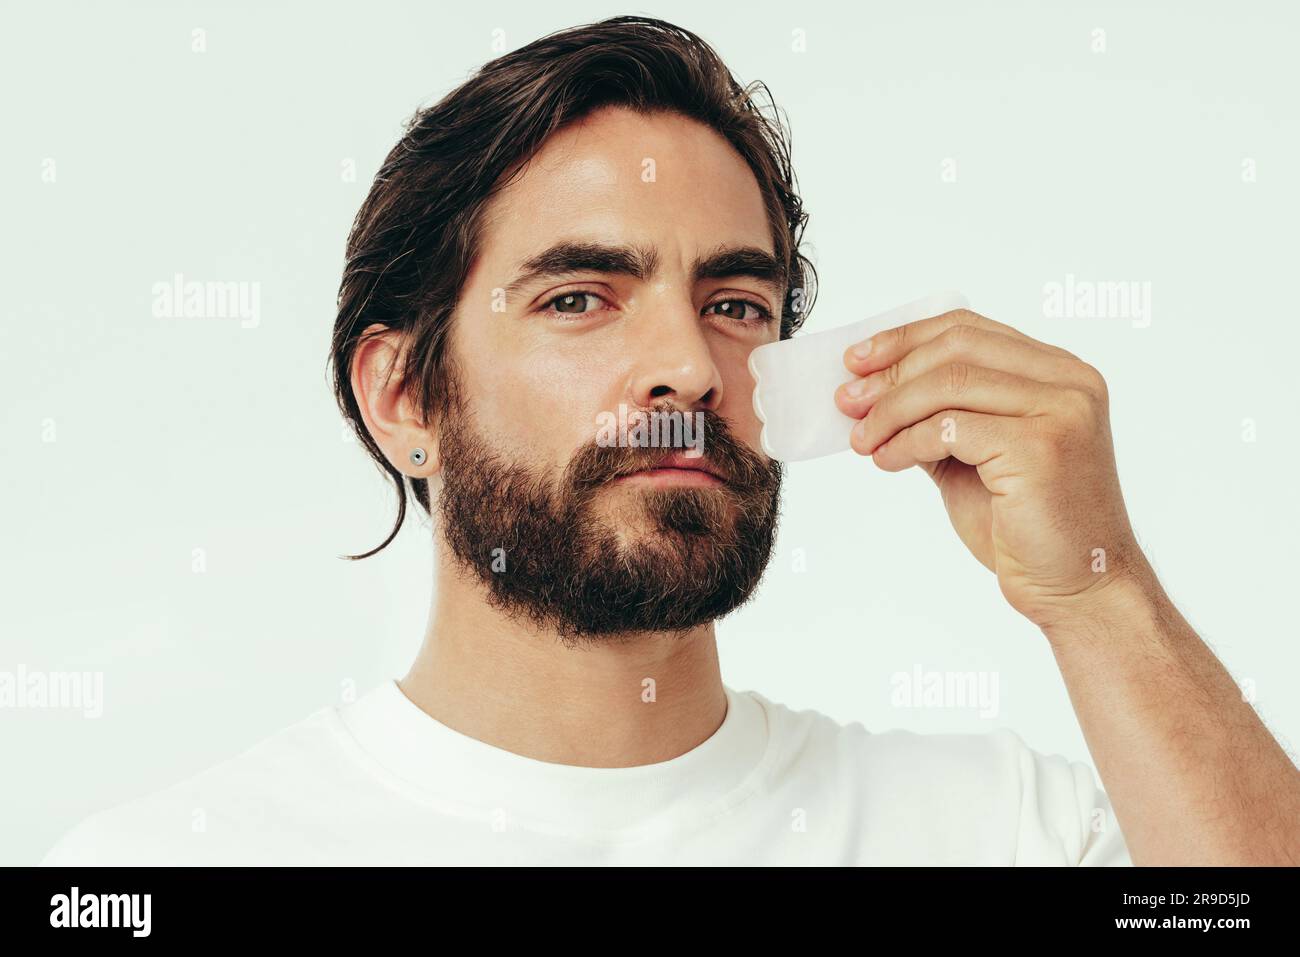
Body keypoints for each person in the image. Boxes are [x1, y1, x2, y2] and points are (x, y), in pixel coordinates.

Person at [40, 15, 1298, 867]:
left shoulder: (994, 829)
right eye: (579, 297)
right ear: (405, 398)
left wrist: (1099, 594)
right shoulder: (164, 865)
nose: (690, 367)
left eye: (736, 306)